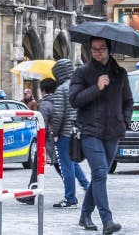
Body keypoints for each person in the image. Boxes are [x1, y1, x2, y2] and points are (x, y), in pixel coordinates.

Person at [69, 37, 132, 234]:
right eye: (94, 49)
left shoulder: (120, 73)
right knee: (99, 172)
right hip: (89, 130)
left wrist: (125, 121)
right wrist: (97, 87)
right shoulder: (82, 72)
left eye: (102, 49)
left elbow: (128, 101)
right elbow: (74, 100)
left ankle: (85, 215)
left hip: (113, 131)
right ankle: (107, 220)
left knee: (100, 175)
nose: (98, 52)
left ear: (109, 50)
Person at [50, 58, 90, 209]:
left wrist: (55, 132)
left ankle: (70, 198)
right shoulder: (78, 87)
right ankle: (88, 188)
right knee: (73, 163)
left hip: (65, 133)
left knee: (66, 166)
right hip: (77, 131)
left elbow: (59, 114)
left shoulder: (61, 89)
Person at [18, 78, 58, 205]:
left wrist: (40, 140)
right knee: (40, 167)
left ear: (42, 90)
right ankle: (31, 194)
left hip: (48, 142)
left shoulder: (44, 104)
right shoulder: (57, 101)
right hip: (52, 141)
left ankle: (73, 195)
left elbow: (43, 125)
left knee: (63, 168)